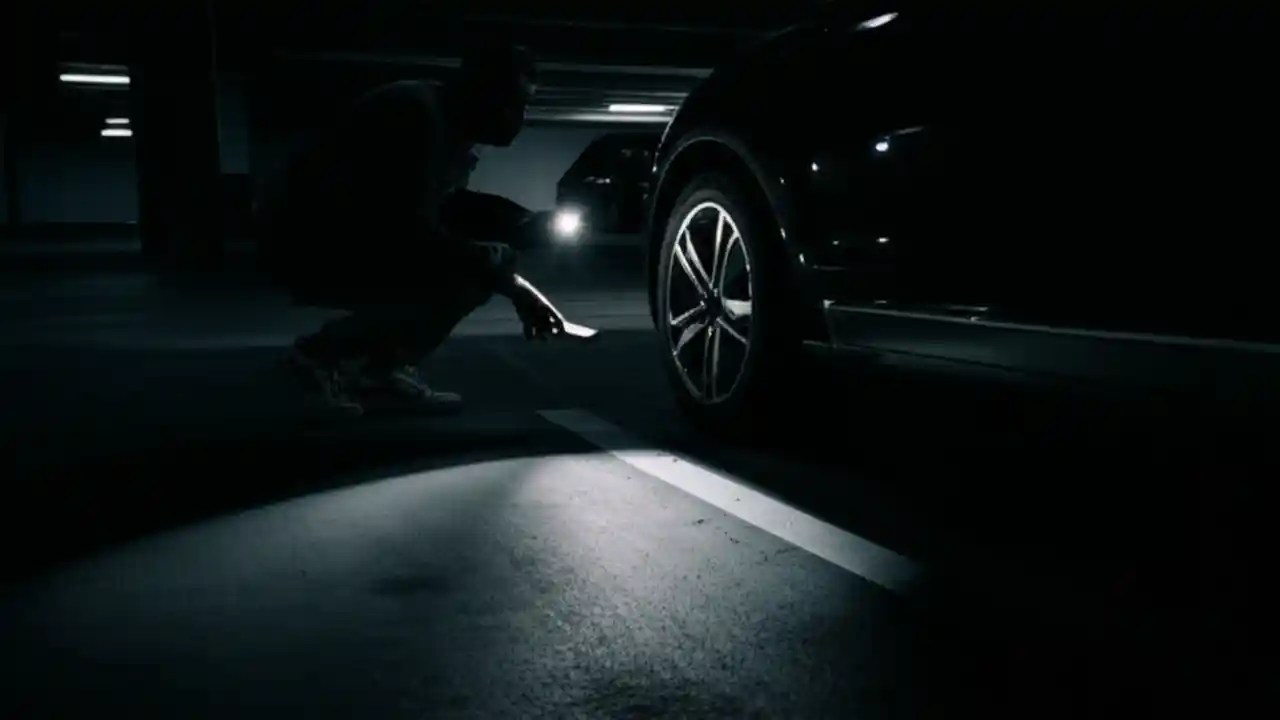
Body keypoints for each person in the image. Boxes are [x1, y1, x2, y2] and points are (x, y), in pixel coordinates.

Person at [254, 42, 563, 417]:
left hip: (346, 233)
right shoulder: (413, 115)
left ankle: (377, 372)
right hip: (307, 240)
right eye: (513, 102)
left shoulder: (450, 131)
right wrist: (510, 282)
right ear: (479, 91)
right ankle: (312, 359)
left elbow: (439, 208)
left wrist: (518, 227)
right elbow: (405, 227)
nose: (519, 117)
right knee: (470, 272)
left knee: (482, 262)